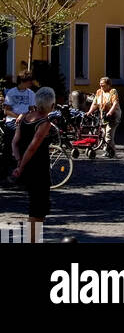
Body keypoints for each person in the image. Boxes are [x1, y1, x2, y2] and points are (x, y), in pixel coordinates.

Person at [11, 88, 55, 243]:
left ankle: (34, 239)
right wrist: (21, 166)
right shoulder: (44, 122)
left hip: (26, 166)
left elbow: (15, 143)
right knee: (38, 209)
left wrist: (18, 162)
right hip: (38, 169)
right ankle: (32, 241)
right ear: (52, 104)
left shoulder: (24, 118)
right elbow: (32, 147)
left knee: (37, 206)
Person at [87, 76, 121, 157]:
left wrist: (110, 112)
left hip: (113, 116)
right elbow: (95, 103)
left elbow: (115, 104)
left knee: (108, 134)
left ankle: (109, 151)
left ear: (108, 85)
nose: (101, 86)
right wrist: (89, 112)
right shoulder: (99, 92)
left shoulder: (113, 91)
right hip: (103, 116)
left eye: (103, 85)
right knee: (103, 134)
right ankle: (110, 150)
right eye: (100, 84)